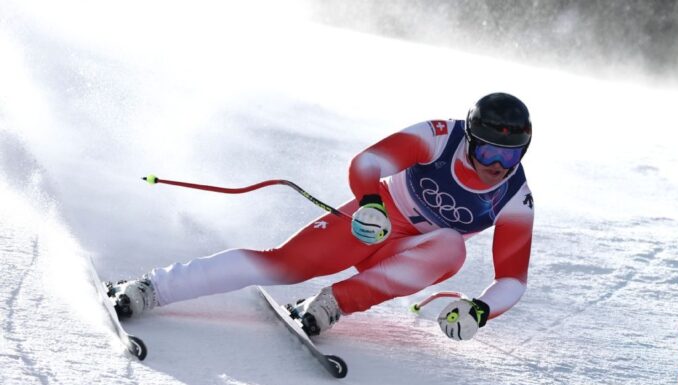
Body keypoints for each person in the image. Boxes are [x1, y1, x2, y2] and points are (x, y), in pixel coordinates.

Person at [109, 92, 534, 341]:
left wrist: (479, 310)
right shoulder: (440, 137)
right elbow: (367, 163)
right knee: (284, 265)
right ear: (470, 140)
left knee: (451, 247)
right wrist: (370, 202)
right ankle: (152, 287)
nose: (497, 164)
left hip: (410, 251)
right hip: (376, 221)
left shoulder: (514, 196)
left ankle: (332, 303)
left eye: (511, 154)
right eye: (488, 151)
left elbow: (512, 278)